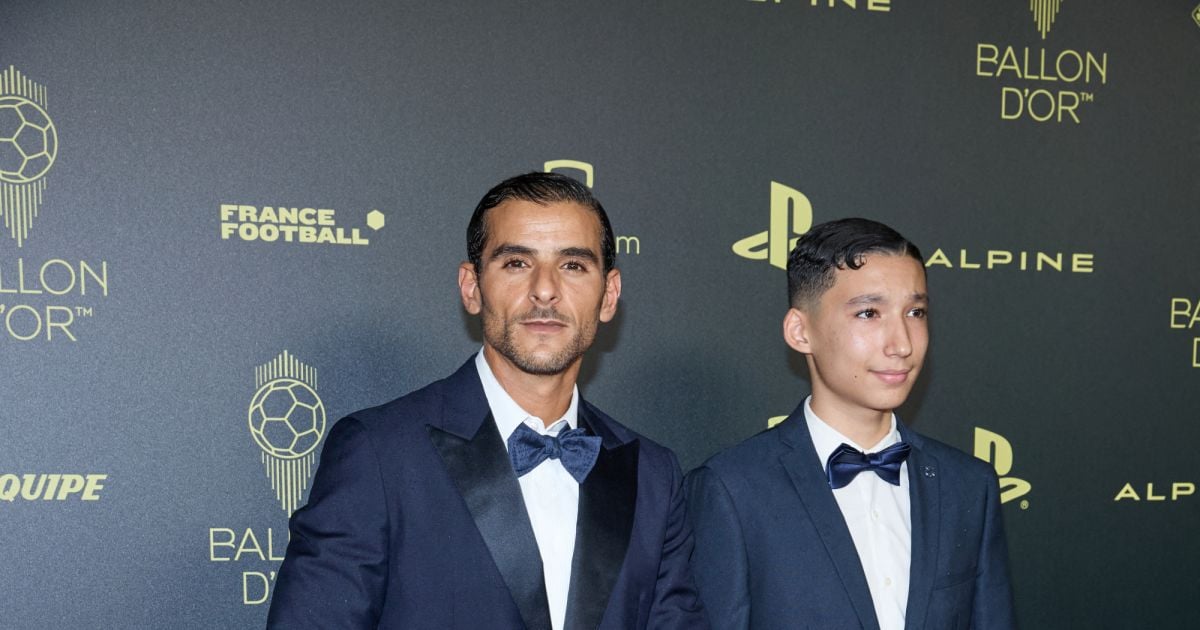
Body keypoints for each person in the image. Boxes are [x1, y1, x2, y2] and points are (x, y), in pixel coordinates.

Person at [267, 172, 707, 629]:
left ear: (609, 294)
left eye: (573, 265)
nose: (545, 289)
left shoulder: (652, 474)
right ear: (472, 287)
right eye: (516, 262)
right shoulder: (379, 453)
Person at [685, 218, 1015, 630]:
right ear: (800, 331)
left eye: (915, 312)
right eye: (869, 313)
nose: (902, 344)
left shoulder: (969, 485)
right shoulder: (732, 489)